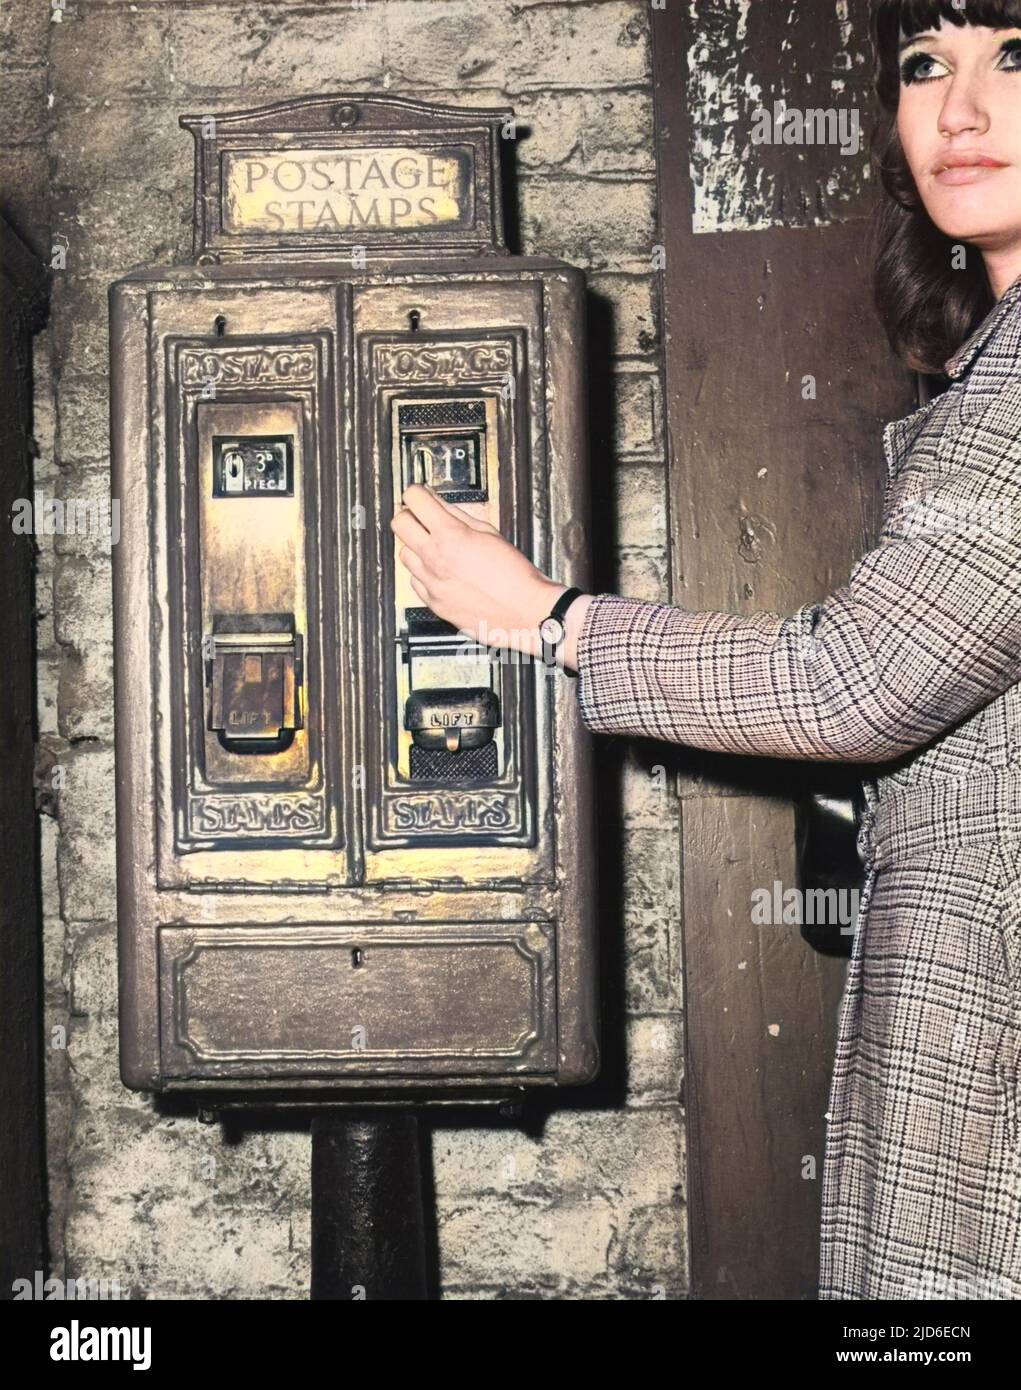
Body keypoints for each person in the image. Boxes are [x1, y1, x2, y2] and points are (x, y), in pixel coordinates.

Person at [390, 0, 1021, 1301]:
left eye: (1014, 56)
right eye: (924, 63)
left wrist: (542, 618)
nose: (959, 109)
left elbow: (854, 682)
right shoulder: (987, 363)